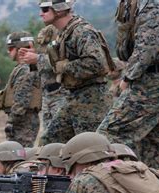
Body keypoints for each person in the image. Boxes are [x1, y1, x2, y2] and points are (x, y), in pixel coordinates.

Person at [97, 0, 159, 170]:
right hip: (154, 76)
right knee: (157, 147)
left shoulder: (155, 3)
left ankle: (119, 185)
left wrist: (127, 78)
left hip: (153, 78)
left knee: (110, 133)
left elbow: (147, 47)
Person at [34, 0, 113, 144]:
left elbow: (98, 64)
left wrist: (65, 66)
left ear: (59, 10)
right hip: (72, 96)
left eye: (45, 9)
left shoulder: (82, 31)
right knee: (48, 143)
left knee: (90, 149)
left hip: (92, 99)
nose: (41, 14)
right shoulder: (64, 33)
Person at [19, 25, 68, 136]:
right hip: (47, 95)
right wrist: (33, 59)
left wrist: (37, 58)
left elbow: (61, 63)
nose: (42, 13)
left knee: (63, 137)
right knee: (48, 137)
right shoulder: (45, 33)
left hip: (61, 93)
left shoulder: (65, 33)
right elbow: (41, 70)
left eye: (46, 10)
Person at [0, 32, 41, 146]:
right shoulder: (23, 68)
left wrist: (12, 120)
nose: (8, 52)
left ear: (19, 49)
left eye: (10, 49)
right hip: (23, 119)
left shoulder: (25, 69)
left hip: (23, 120)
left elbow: (22, 97)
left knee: (20, 155)